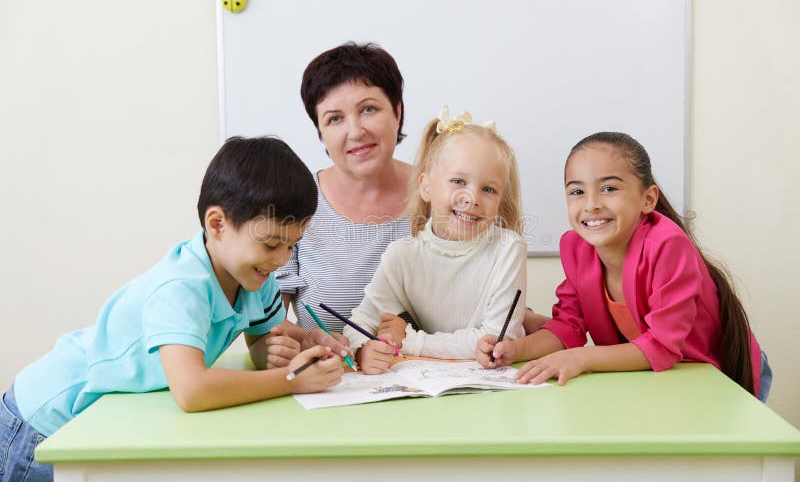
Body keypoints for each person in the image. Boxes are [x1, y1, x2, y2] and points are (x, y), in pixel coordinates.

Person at [0, 137, 345, 482]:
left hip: (101, 423)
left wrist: (296, 343)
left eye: (292, 245)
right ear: (217, 224)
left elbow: (261, 342)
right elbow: (192, 390)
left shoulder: (257, 275)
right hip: (45, 423)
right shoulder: (183, 285)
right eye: (271, 243)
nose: (282, 258)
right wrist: (291, 380)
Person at [476, 132, 772, 401]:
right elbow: (568, 327)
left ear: (648, 198)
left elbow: (662, 347)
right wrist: (515, 351)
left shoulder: (667, 244)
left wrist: (581, 359)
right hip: (660, 383)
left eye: (608, 189)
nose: (591, 204)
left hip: (720, 376)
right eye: (577, 192)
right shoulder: (576, 249)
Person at [342, 106, 529, 374]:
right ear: (426, 186)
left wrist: (412, 341)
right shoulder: (403, 255)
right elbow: (359, 323)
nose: (472, 198)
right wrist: (363, 349)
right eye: (458, 181)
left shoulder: (508, 248)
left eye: (488, 189)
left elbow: (497, 341)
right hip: (434, 379)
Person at [275, 42, 415, 333]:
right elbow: (269, 332)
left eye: (368, 109)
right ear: (321, 131)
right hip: (334, 375)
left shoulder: (441, 194)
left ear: (397, 111)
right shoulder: (294, 202)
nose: (355, 131)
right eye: (335, 118)